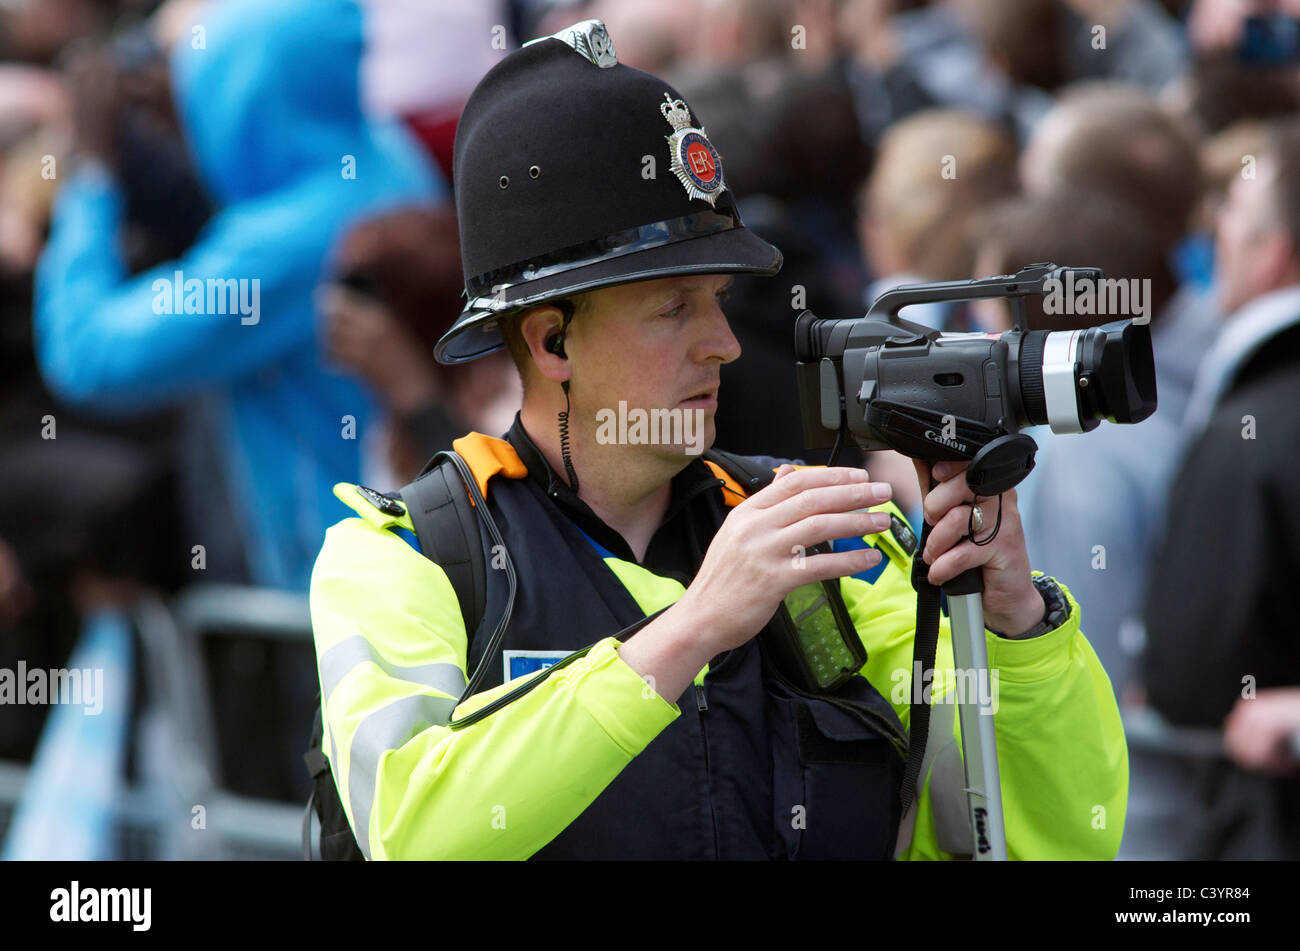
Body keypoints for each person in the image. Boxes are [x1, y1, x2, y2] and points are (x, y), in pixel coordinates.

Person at [308, 20, 1127, 860]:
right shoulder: (400, 557)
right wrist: (690, 628)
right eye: (673, 308)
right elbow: (412, 834)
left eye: (719, 297)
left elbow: (1044, 843)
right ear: (553, 341)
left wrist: (1016, 629)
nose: (724, 343)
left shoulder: (824, 538)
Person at [1142, 116, 1300, 859]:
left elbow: (1192, 670)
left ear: (1275, 253)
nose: (1216, 233)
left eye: (1231, 214)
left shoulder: (1256, 424)